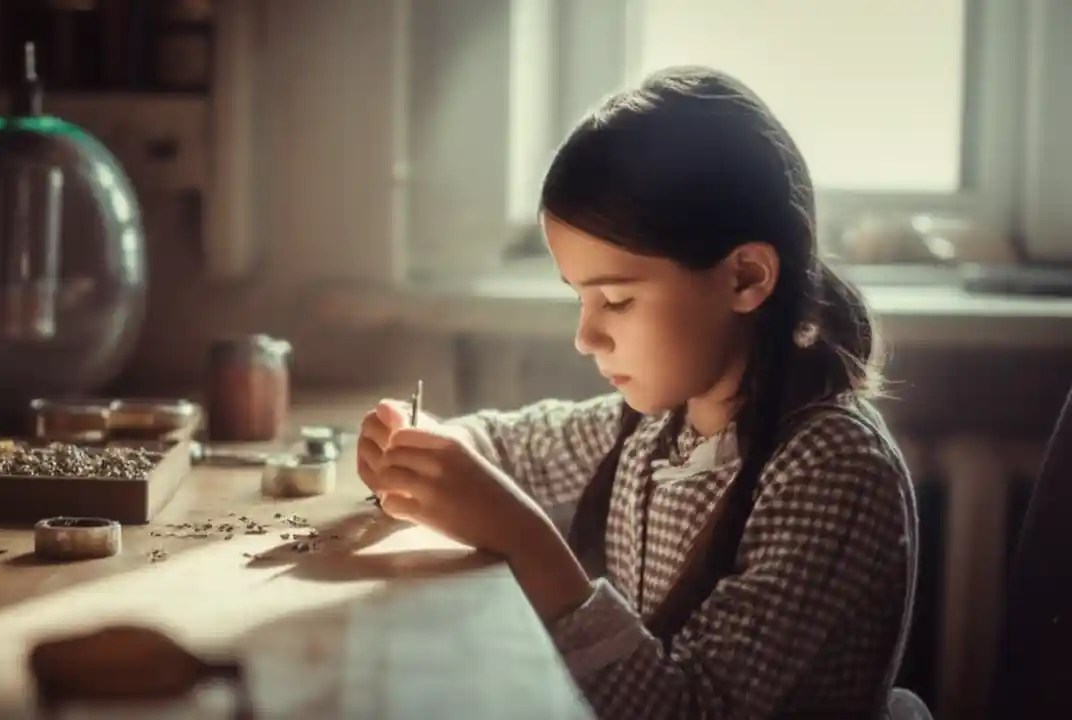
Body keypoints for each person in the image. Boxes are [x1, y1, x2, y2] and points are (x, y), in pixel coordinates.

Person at [357, 66, 918, 719]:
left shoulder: (831, 470)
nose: (586, 335)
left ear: (745, 277)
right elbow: (505, 448)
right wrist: (422, 448)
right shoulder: (663, 427)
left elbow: (692, 711)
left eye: (617, 299)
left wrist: (528, 543)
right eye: (580, 297)